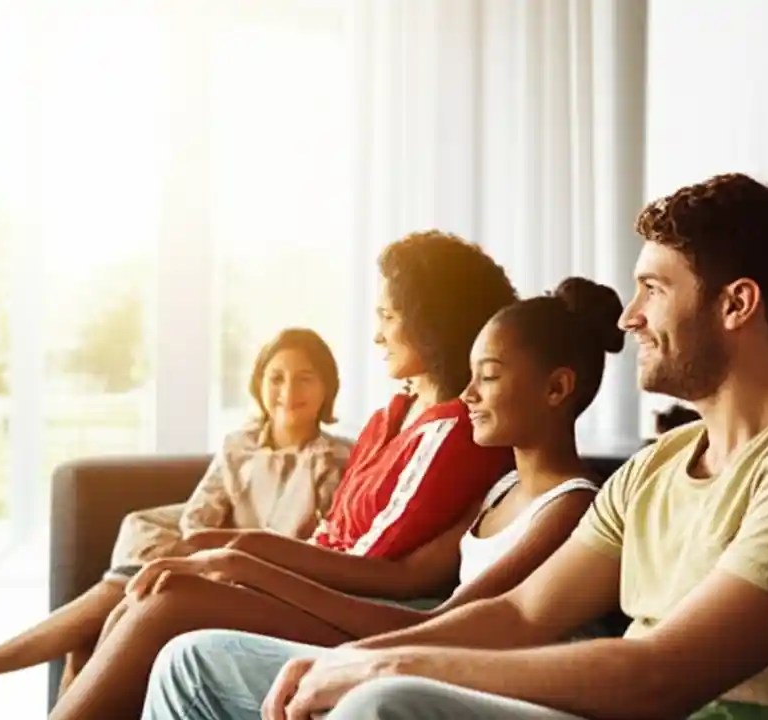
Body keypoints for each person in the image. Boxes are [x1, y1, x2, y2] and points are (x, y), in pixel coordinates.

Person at [147, 172, 768, 720]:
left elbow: (662, 676)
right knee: (199, 660)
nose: (628, 317)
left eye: (653, 289)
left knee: (385, 707)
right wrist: (355, 659)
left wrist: (386, 672)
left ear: (737, 304)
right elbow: (523, 614)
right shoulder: (651, 471)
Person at [43, 231, 524, 719]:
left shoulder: (457, 430)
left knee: (167, 599)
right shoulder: (391, 416)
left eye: (389, 317)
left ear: (431, 322)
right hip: (325, 590)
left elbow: (382, 566)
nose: (377, 334)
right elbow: (331, 532)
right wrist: (243, 559)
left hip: (354, 610)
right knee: (137, 598)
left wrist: (245, 557)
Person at [138, 275, 628, 720]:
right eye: (470, 375)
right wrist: (243, 555)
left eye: (490, 375)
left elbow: (446, 623)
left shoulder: (569, 508)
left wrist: (250, 569)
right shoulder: (501, 490)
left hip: (482, 685)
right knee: (186, 656)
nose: (468, 393)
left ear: (557, 388)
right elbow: (412, 582)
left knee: (193, 664)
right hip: (426, 647)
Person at [0, 327, 354, 700]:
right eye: (276, 376)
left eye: (304, 377)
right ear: (258, 384)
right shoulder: (239, 446)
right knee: (96, 627)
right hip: (208, 565)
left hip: (260, 583)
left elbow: (317, 545)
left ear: (327, 387)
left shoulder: (334, 459)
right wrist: (208, 553)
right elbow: (197, 517)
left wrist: (231, 561)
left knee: (99, 624)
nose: (288, 390)